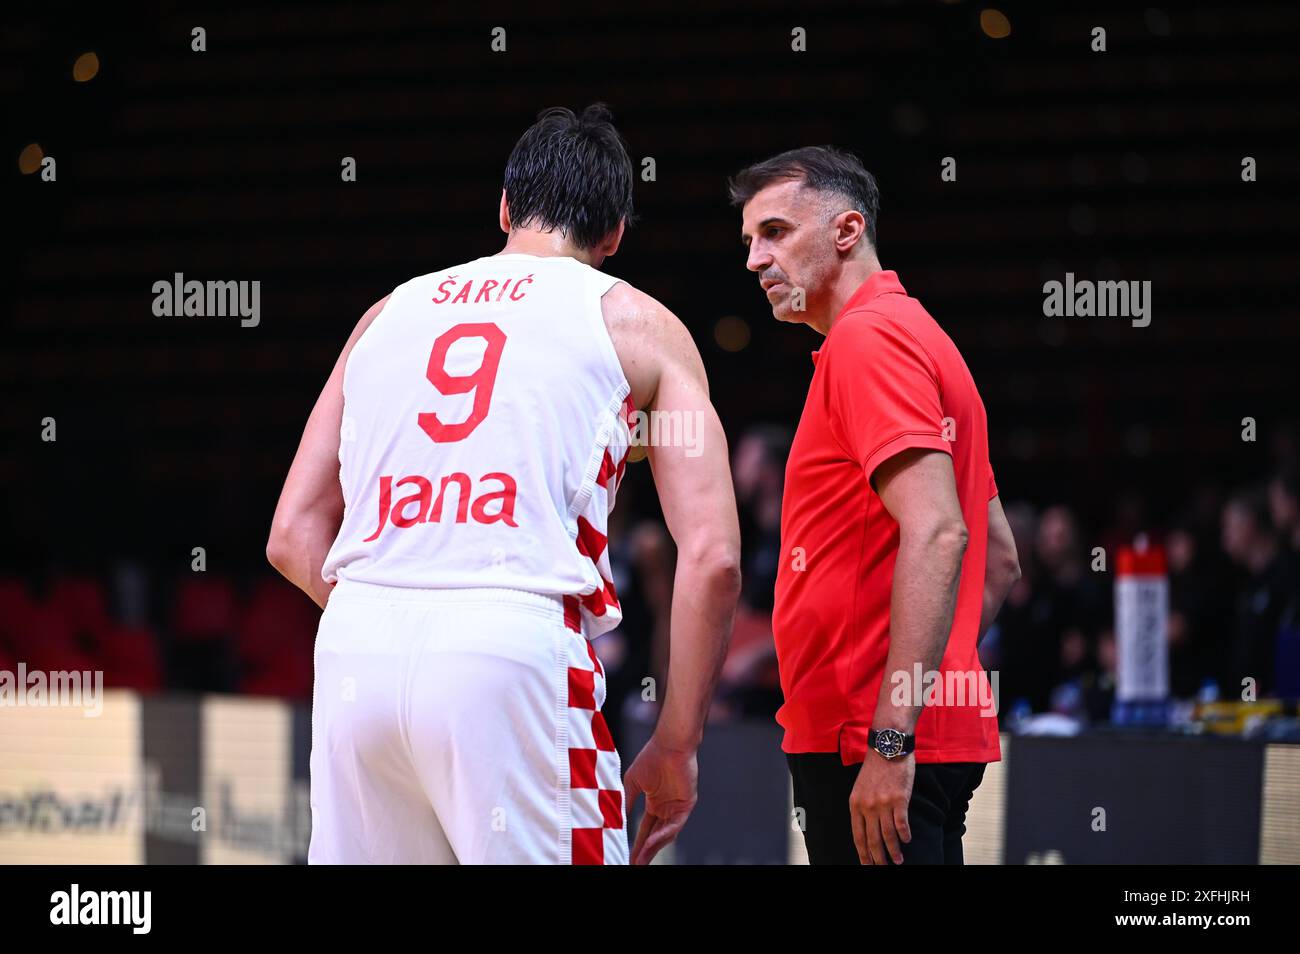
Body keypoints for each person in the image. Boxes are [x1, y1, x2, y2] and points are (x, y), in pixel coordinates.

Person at [267, 105, 741, 865]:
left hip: (357, 639)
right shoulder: (638, 323)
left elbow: (292, 535)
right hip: (511, 646)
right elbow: (713, 556)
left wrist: (409, 607)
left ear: (504, 208)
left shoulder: (387, 313)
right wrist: (678, 740)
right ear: (615, 234)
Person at [729, 146, 1018, 865]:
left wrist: (891, 733)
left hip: (869, 740)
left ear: (846, 231)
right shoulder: (923, 337)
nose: (754, 260)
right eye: (748, 241)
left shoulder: (869, 340)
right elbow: (1002, 559)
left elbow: (941, 533)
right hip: (916, 730)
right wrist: (934, 673)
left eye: (774, 232)